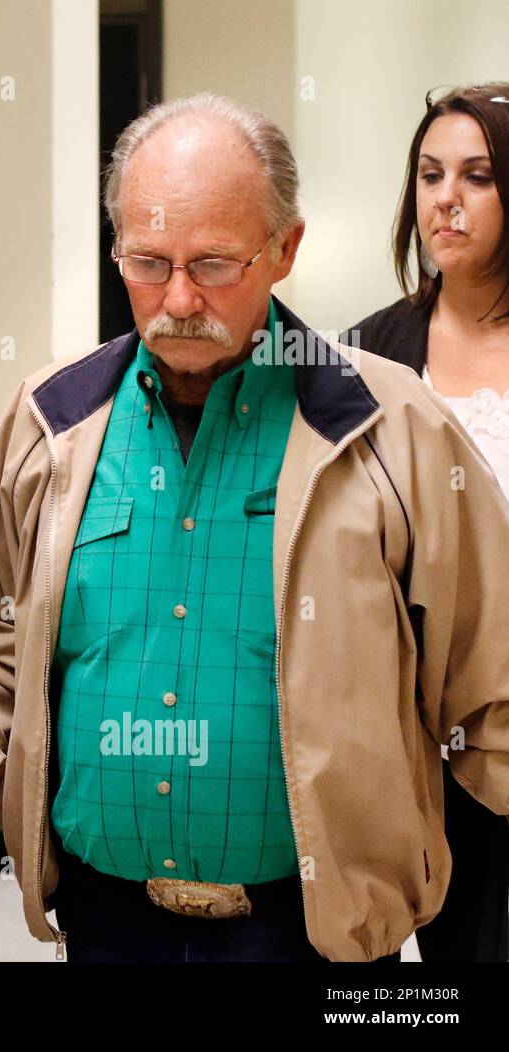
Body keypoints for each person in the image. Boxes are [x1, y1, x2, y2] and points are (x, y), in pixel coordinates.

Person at [0, 92, 509, 962]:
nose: (179, 298)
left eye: (216, 264)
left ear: (285, 249)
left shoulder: (392, 430)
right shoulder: (50, 423)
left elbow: (491, 687)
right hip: (104, 925)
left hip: (313, 938)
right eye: (148, 263)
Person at [349, 82, 509, 962]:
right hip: (439, 728)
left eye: (478, 176)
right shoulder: (370, 354)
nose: (446, 197)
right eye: (430, 174)